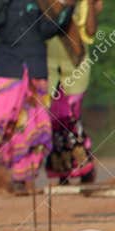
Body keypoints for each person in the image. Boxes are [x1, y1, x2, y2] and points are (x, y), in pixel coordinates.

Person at [0, 0, 70, 194]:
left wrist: (67, 7)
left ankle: (23, 179)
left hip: (35, 67)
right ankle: (17, 173)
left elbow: (48, 30)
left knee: (34, 125)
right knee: (5, 121)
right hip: (9, 66)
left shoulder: (37, 3)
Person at [46, 0, 102, 183]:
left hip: (76, 65)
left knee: (70, 117)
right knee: (54, 120)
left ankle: (84, 168)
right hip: (49, 67)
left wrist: (91, 5)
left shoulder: (83, 3)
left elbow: (90, 32)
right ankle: (63, 172)